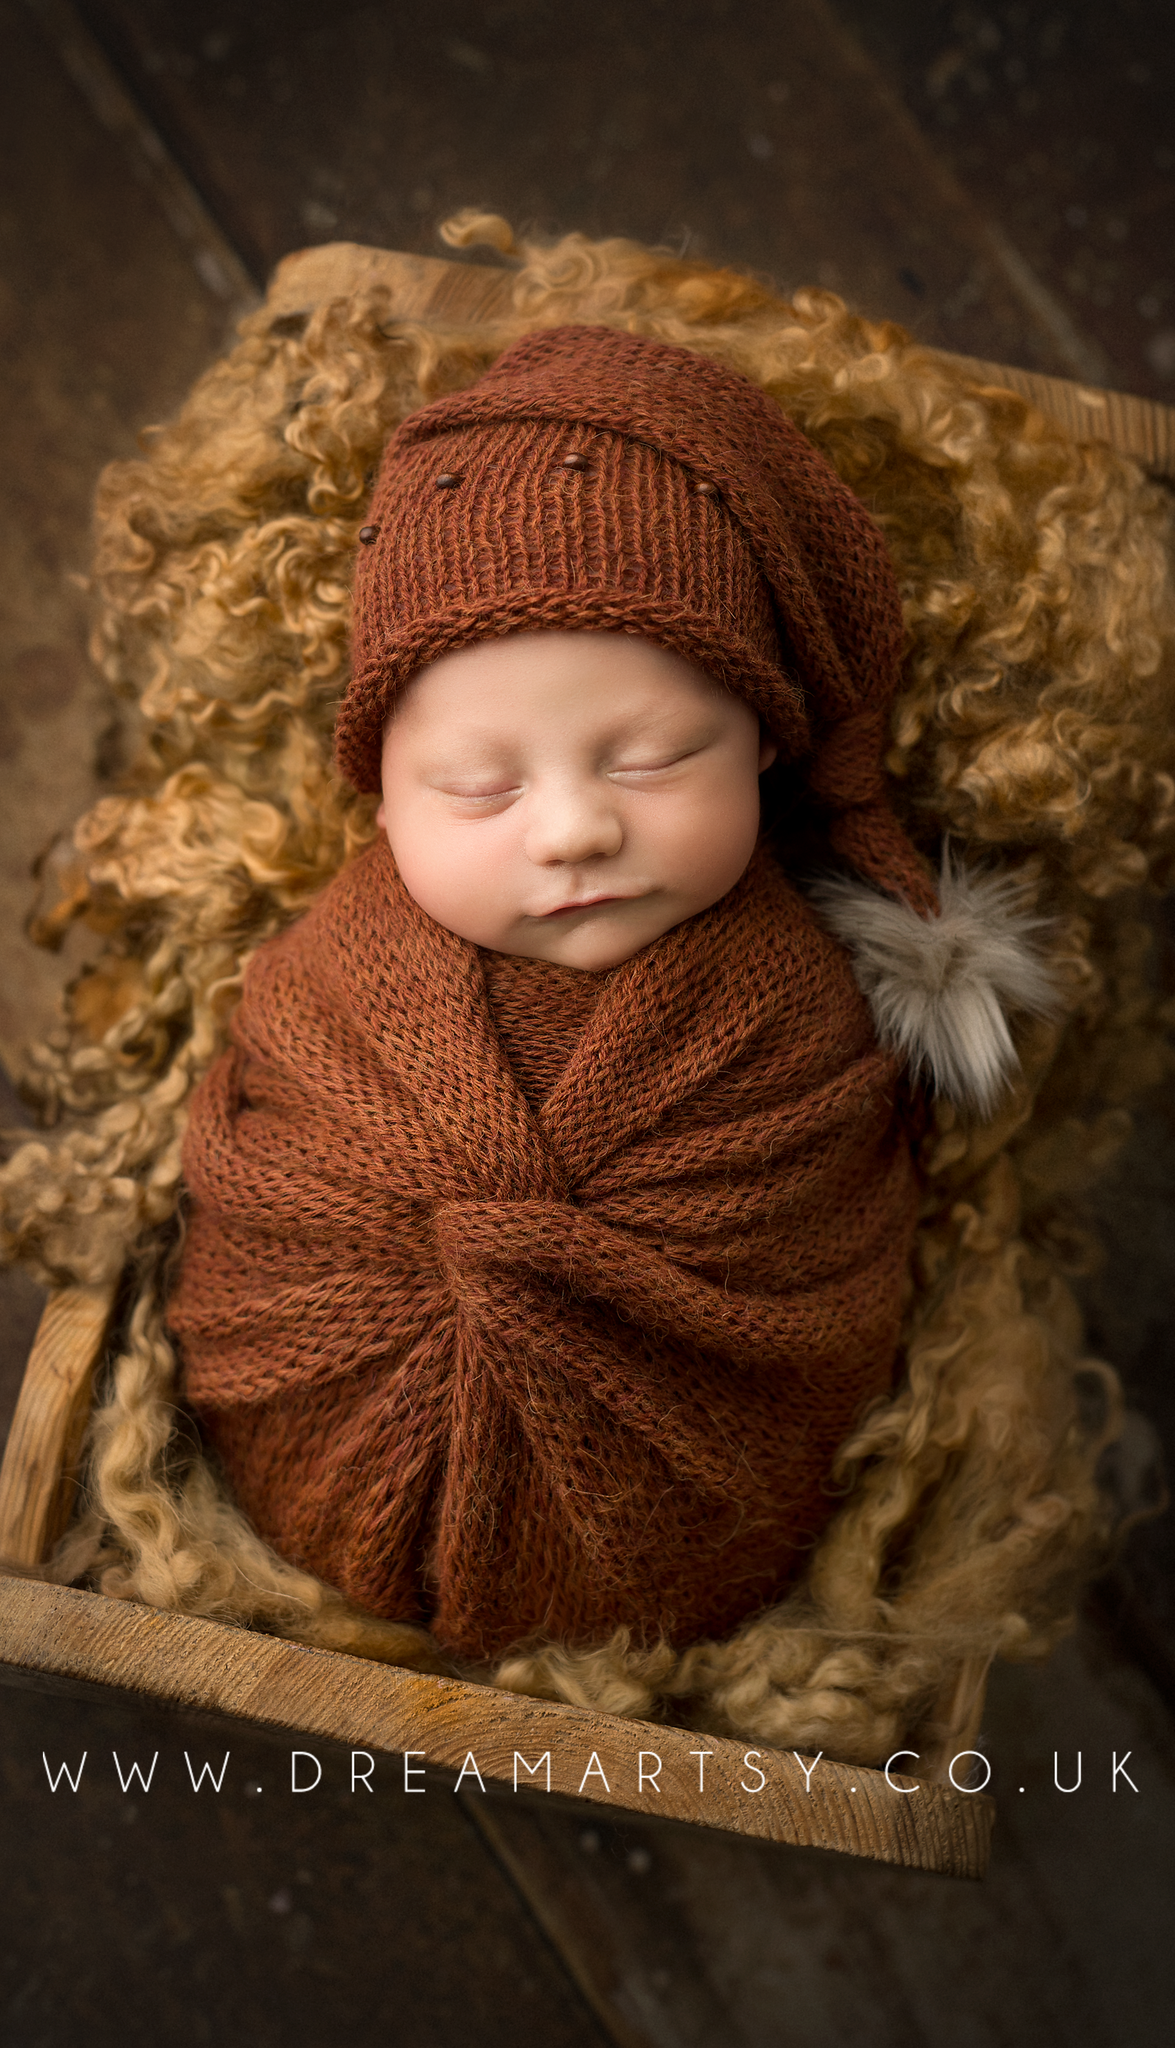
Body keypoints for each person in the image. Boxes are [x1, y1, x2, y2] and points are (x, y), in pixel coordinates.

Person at [166, 323, 1049, 1667]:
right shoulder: (332, 972)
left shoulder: (788, 1010)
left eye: (650, 758)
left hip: (684, 1494)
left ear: (762, 741)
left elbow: (830, 1267)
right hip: (325, 1402)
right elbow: (252, 1168)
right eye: (479, 786)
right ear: (378, 793)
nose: (572, 829)